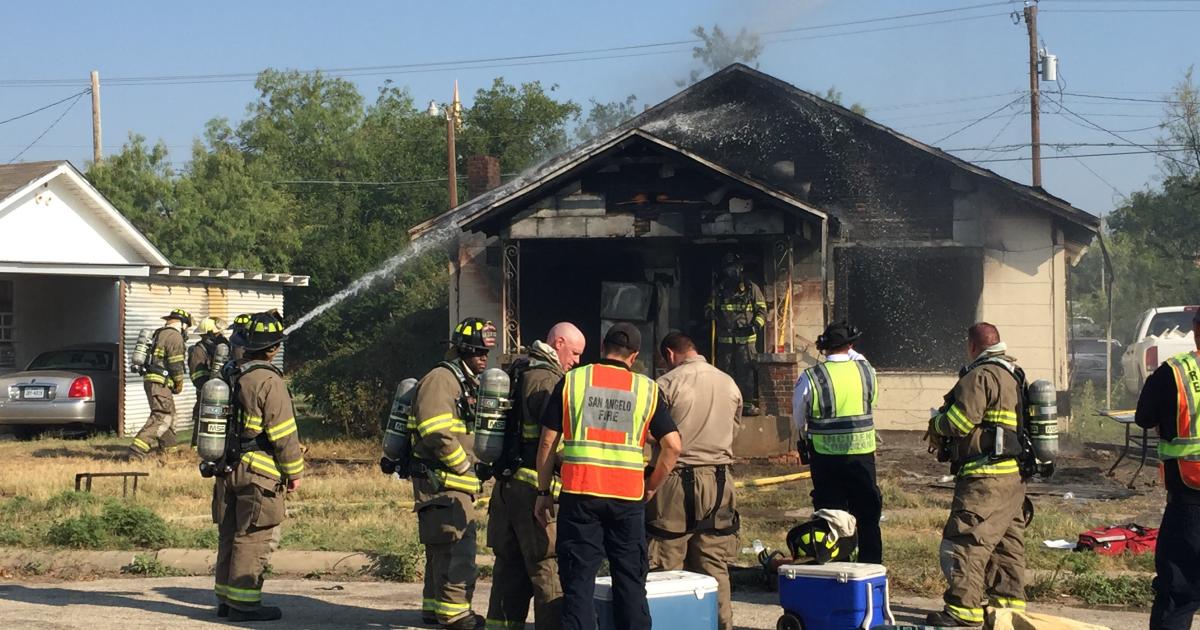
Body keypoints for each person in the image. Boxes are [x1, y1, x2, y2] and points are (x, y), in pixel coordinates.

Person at [533, 322, 683, 630]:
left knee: (578, 584)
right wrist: (651, 487)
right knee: (630, 583)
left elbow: (548, 442)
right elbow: (673, 447)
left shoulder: (573, 381)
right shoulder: (646, 389)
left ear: (602, 347)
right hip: (628, 500)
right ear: (634, 356)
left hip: (580, 497)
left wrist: (543, 492)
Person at [925, 323, 1027, 628]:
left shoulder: (980, 375)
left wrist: (936, 424)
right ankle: (1008, 611)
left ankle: (962, 612)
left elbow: (959, 421)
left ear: (972, 345)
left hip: (985, 479)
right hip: (1013, 476)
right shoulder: (1012, 373)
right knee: (1005, 545)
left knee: (965, 540)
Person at [485, 322, 585, 630]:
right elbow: (552, 442)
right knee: (547, 566)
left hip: (506, 489)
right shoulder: (548, 382)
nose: (577, 361)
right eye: (576, 352)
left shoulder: (520, 370)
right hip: (533, 491)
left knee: (509, 568)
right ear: (558, 343)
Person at [212, 311, 304, 622]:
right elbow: (282, 434)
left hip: (228, 469)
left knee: (230, 535)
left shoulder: (230, 374)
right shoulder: (268, 380)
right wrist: (294, 473)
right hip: (259, 473)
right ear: (273, 348)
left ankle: (225, 600)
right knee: (254, 537)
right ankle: (244, 605)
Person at [647, 331, 742, 630]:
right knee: (715, 566)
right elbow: (735, 431)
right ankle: (721, 625)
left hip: (675, 482)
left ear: (670, 354)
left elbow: (652, 434)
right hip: (721, 481)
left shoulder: (667, 384)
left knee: (666, 565)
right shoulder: (729, 382)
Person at [411, 317, 496, 629]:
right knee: (457, 547)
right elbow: (435, 431)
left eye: (486, 352)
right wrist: (464, 465)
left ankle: (434, 608)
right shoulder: (441, 380)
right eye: (477, 352)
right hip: (444, 480)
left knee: (440, 548)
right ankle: (455, 614)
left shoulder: (462, 380)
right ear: (461, 350)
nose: (483, 358)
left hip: (449, 481)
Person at [791, 321, 882, 564]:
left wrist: (802, 440)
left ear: (823, 347)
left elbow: (799, 416)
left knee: (830, 514)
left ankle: (835, 564)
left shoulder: (811, 376)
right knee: (867, 514)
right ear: (851, 345)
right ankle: (871, 566)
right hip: (862, 454)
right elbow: (872, 398)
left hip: (825, 457)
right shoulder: (866, 371)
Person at [1136, 309, 1200, 630]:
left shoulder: (1173, 373)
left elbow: (1144, 417)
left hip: (1189, 502)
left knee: (1178, 590)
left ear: (1194, 330)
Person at [706, 253, 767, 416]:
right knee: (724, 372)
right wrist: (711, 313)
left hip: (746, 341)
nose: (730, 272)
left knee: (745, 372)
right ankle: (725, 404)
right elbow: (708, 308)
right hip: (725, 340)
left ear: (740, 269)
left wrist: (753, 327)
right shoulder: (719, 288)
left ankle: (747, 405)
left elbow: (762, 311)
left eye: (733, 268)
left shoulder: (751, 288)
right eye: (728, 269)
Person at [130, 308, 191, 459]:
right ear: (182, 324)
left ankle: (170, 453)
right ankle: (137, 451)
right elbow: (176, 365)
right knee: (161, 417)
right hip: (161, 383)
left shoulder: (159, 333)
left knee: (168, 415)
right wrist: (179, 384)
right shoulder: (175, 337)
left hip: (153, 381)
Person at [188, 317, 230, 449]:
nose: (221, 336)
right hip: (207, 392)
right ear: (209, 334)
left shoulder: (225, 347)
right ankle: (196, 446)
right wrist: (210, 386)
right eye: (217, 334)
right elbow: (197, 376)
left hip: (227, 390)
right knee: (202, 415)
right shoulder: (199, 350)